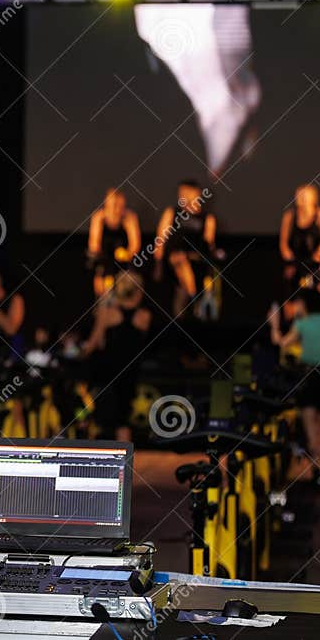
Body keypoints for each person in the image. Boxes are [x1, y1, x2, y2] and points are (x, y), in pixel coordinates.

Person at [269, 288, 320, 486]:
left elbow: (280, 343)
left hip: (309, 378)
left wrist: (274, 325)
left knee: (311, 432)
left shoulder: (303, 324)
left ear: (306, 303)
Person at [83, 271, 152, 442]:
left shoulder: (107, 313)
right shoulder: (144, 316)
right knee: (122, 420)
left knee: (103, 420)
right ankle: (124, 464)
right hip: (130, 374)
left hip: (107, 374)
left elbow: (93, 343)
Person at [154, 179, 217, 317]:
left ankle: (191, 298)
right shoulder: (172, 213)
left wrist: (194, 256)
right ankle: (193, 296)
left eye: (188, 194)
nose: (184, 198)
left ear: (198, 195)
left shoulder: (207, 219)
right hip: (173, 262)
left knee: (182, 287)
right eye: (181, 194)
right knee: (180, 261)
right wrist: (158, 264)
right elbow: (160, 241)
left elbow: (208, 246)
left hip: (196, 261)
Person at [279, 183, 320, 297]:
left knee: (318, 288)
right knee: (290, 289)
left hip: (314, 261)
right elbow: (283, 242)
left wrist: (319, 254)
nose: (300, 198)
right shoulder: (290, 216)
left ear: (313, 198)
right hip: (295, 260)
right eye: (298, 195)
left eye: (304, 195)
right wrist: (288, 256)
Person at [87, 188, 141, 297]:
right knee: (99, 269)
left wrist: (127, 255)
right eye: (112, 205)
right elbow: (93, 245)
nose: (115, 210)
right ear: (106, 205)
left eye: (119, 206)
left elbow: (135, 245)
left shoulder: (129, 217)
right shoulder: (99, 218)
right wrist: (107, 264)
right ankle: (103, 301)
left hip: (124, 261)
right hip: (104, 259)